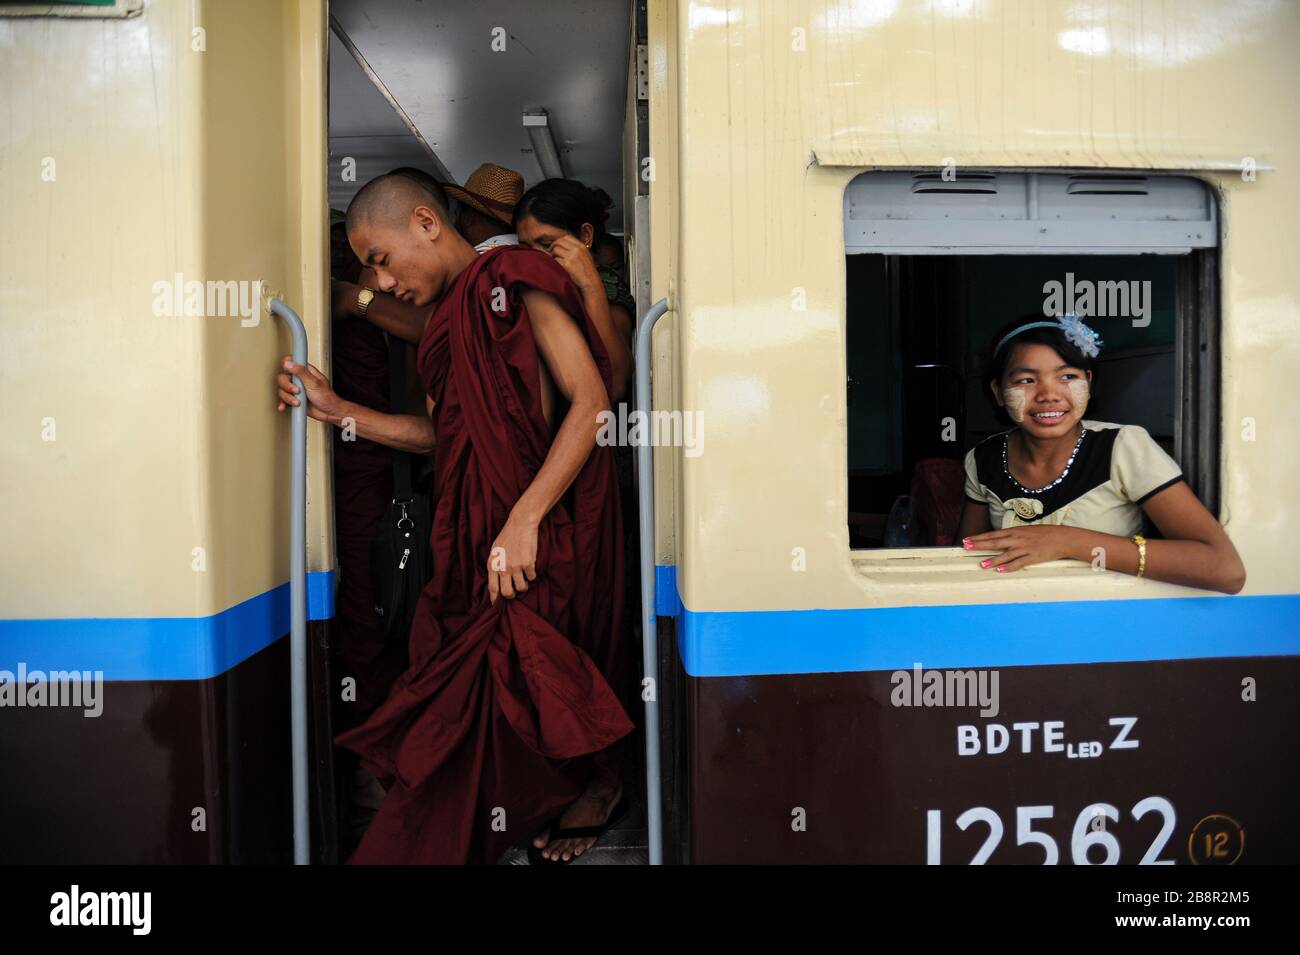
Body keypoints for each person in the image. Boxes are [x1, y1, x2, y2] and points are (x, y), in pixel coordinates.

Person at [275, 174, 632, 864]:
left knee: (554, 663)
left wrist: (524, 519)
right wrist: (337, 410)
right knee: (481, 688)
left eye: (379, 257)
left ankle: (592, 787)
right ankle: (526, 801)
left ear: (427, 223)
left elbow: (591, 403)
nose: (379, 278)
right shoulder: (444, 328)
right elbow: (440, 437)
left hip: (550, 522)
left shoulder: (513, 276)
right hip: (478, 538)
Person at [958, 314, 1246, 594]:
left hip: (1108, 618)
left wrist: (1067, 541)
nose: (1049, 394)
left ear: (1089, 382)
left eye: (1067, 376)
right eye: (1027, 380)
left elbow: (1224, 569)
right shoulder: (983, 459)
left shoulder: (1123, 447)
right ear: (998, 391)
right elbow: (965, 558)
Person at [514, 178, 635, 401]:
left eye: (546, 244)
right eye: (526, 248)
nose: (536, 258)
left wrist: (590, 285)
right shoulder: (534, 290)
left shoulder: (606, 285)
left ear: (585, 236)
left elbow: (616, 383)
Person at [442, 162, 524, 252]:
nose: (454, 222)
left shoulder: (475, 260)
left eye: (457, 213)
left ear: (468, 218)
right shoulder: (532, 252)